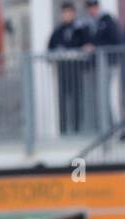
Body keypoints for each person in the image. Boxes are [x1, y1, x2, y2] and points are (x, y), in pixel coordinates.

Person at [49, 2, 89, 136]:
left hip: (77, 72)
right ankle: (63, 131)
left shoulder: (80, 30)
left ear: (73, 13)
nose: (67, 15)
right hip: (63, 72)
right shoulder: (57, 31)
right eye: (64, 13)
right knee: (62, 103)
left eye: (69, 12)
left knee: (77, 101)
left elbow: (87, 47)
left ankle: (77, 130)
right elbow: (50, 50)